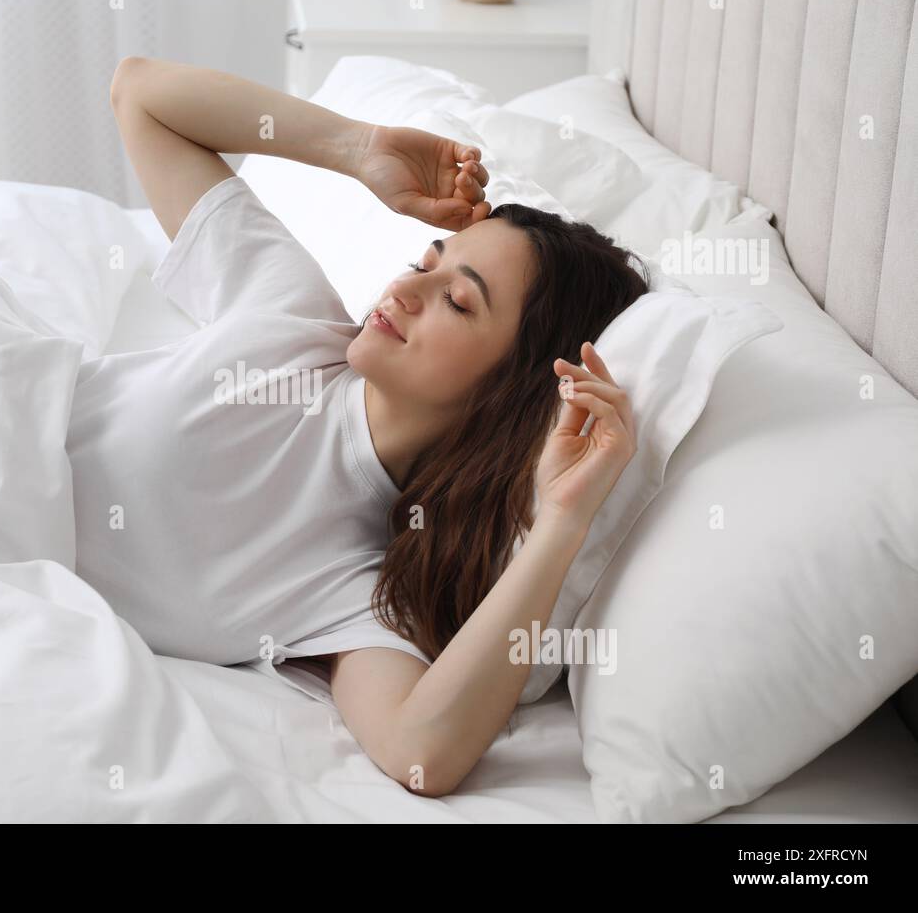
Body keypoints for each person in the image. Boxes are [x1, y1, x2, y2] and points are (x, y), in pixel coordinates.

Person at [68, 56, 647, 797]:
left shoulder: (352, 583)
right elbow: (140, 93)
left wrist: (562, 522)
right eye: (425, 260)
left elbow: (422, 754)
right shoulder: (294, 315)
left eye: (459, 302)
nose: (407, 286)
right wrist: (356, 148)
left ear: (510, 392)